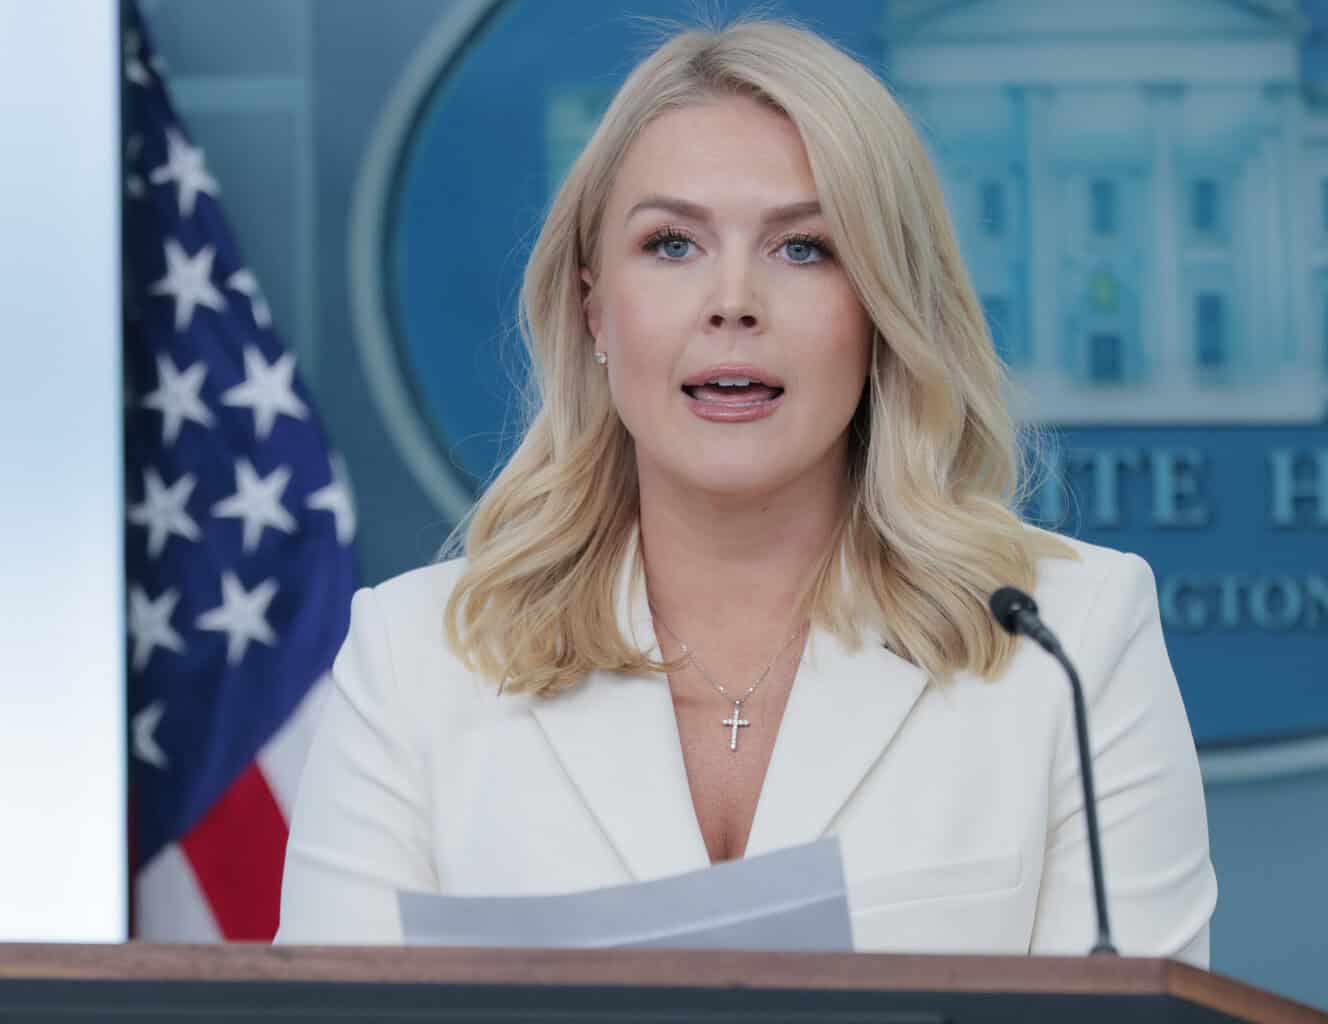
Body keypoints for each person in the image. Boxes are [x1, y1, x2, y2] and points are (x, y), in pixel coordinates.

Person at [275, 18, 1217, 961]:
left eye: (803, 248)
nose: (733, 300)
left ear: (884, 312)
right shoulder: (414, 662)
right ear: (595, 309)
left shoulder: (1071, 641)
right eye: (673, 244)